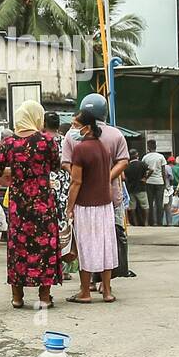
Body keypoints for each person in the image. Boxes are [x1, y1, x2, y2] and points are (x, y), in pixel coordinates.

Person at [0, 101, 63, 309]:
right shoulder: (46, 141)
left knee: (18, 246)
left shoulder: (8, 143)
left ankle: (17, 297)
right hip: (42, 200)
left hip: (18, 203)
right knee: (44, 245)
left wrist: (13, 172)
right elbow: (56, 166)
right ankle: (43, 298)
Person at [62, 93, 129, 277]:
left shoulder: (72, 137)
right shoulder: (116, 134)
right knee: (109, 238)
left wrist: (84, 178)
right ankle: (106, 284)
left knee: (86, 240)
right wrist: (105, 178)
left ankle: (89, 282)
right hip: (110, 198)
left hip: (82, 199)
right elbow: (123, 162)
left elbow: (66, 164)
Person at [65, 109, 118, 303]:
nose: (73, 129)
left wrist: (69, 207)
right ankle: (107, 291)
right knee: (106, 246)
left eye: (76, 125)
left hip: (86, 205)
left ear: (86, 128)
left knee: (85, 246)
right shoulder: (103, 147)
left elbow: (76, 182)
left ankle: (85, 292)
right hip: (105, 204)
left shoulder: (80, 149)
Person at [43, 111, 74, 276]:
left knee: (48, 227)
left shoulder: (41, 141)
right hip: (64, 187)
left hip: (46, 187)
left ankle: (50, 267)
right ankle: (64, 268)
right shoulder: (65, 140)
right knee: (63, 226)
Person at [142, 140, 167, 226]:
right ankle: (160, 222)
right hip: (159, 182)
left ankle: (151, 222)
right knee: (159, 203)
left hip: (149, 182)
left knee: (150, 203)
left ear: (148, 147)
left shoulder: (145, 157)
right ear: (155, 146)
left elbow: (144, 170)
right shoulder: (161, 157)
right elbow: (164, 172)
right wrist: (164, 183)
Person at [123, 155, 149, 226]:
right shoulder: (142, 164)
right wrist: (145, 178)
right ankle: (146, 222)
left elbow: (124, 178)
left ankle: (136, 223)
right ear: (137, 156)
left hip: (131, 189)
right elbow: (151, 169)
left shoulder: (127, 166)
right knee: (145, 206)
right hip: (141, 188)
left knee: (132, 207)